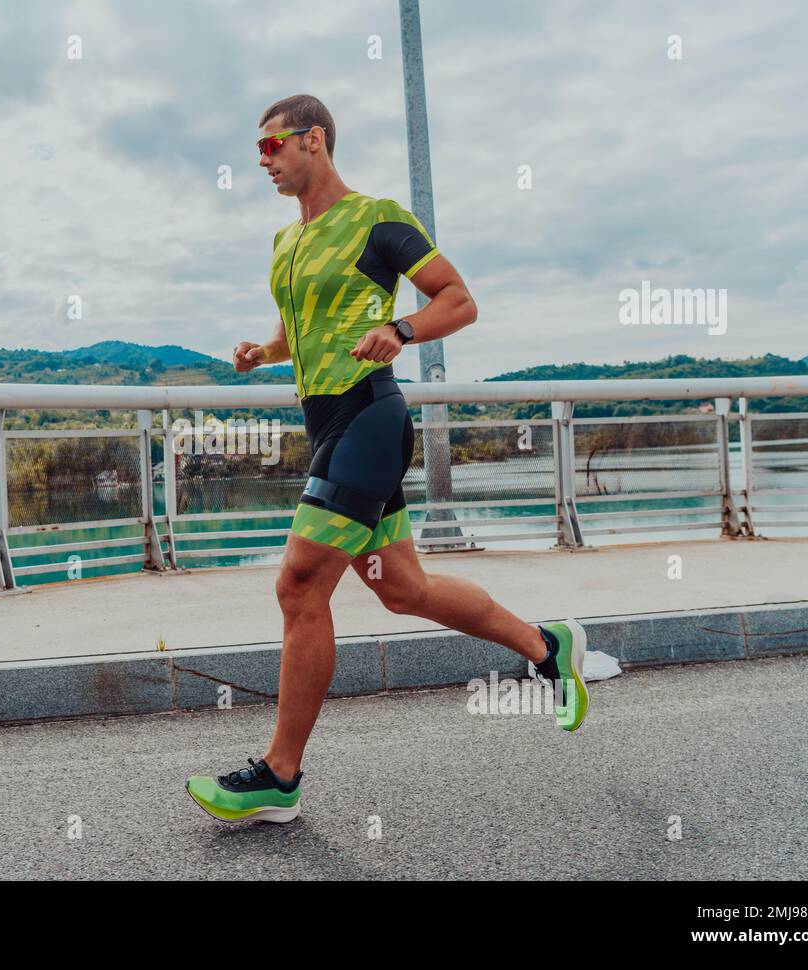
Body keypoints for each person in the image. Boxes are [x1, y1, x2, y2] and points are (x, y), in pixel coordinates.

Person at [186, 95, 589, 824]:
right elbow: (298, 328)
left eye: (272, 146)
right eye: (257, 152)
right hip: (328, 425)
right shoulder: (286, 243)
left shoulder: (378, 218)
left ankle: (280, 776)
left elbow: (459, 301)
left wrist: (401, 327)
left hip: (370, 416)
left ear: (314, 140)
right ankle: (547, 644)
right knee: (403, 588)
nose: (263, 161)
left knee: (300, 584)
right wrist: (262, 352)